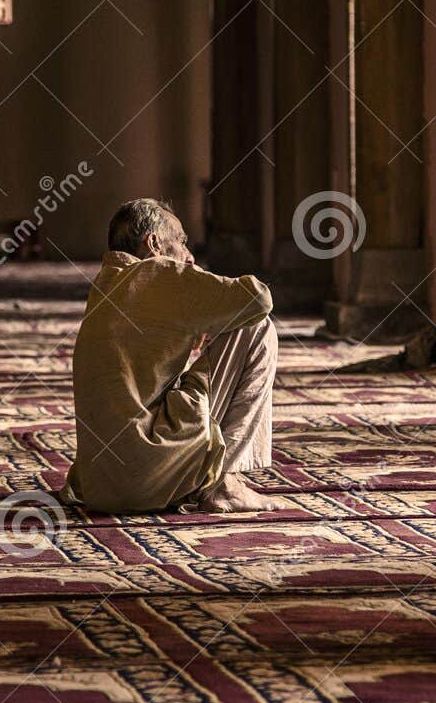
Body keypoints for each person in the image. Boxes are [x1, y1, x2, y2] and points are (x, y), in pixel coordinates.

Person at [61, 200, 284, 514]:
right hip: (149, 474)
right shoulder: (159, 272)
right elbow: (258, 298)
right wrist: (194, 278)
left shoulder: (106, 282)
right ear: (153, 244)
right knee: (256, 327)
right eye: (180, 242)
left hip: (101, 487)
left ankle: (199, 475)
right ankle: (224, 484)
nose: (189, 255)